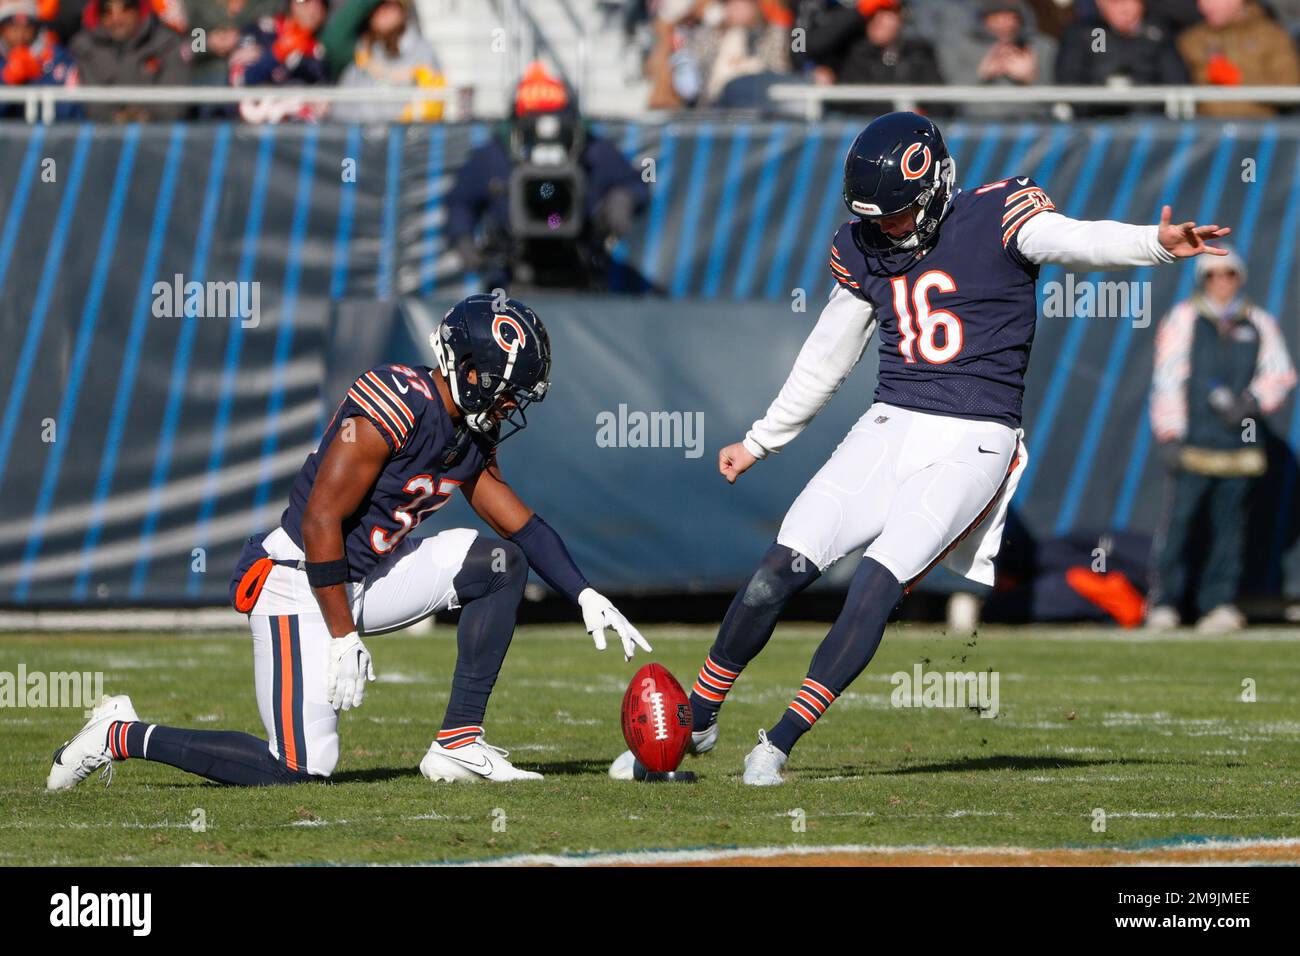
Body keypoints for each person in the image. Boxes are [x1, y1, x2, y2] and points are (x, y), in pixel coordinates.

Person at [612, 111, 1231, 785]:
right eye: (878, 217)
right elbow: (828, 356)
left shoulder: (999, 214)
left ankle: (781, 741)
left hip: (975, 440)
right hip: (889, 426)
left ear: (936, 185)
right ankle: (697, 719)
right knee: (773, 575)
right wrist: (763, 439)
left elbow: (1077, 240)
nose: (890, 228)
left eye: (901, 213)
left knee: (875, 586)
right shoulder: (863, 244)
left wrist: (1158, 243)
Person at [47, 296, 650, 791]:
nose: (510, 404)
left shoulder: (467, 437)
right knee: (299, 768)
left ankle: (458, 744)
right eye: (505, 388)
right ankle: (119, 734)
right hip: (301, 581)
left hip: (371, 578)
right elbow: (319, 521)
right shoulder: (394, 400)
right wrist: (342, 637)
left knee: (499, 563)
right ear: (467, 368)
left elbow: (520, 526)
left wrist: (585, 593)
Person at [1147, 248, 1296, 631]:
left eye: (1229, 274)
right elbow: (1168, 379)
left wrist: (1250, 403)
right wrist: (1170, 434)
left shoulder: (1258, 322)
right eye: (1214, 275)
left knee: (1230, 530)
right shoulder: (1183, 319)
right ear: (1203, 279)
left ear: (1239, 278)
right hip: (1193, 444)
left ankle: (1218, 604)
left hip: (1238, 450)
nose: (1222, 281)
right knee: (1178, 525)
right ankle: (1163, 604)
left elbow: (1280, 374)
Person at [1054, 0, 1188, 115]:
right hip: (1097, 123)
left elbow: (1176, 79)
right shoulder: (1093, 33)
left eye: (1130, 0)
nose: (1125, 9)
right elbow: (1071, 80)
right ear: (1101, 4)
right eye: (1116, 2)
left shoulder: (1157, 33)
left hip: (1150, 122)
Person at [68, 0, 190, 122]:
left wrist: (146, 117)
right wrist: (116, 118)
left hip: (161, 134)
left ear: (140, 9)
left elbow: (174, 104)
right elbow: (90, 106)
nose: (117, 19)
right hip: (102, 135)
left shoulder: (167, 43)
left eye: (127, 8)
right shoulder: (83, 47)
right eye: (106, 11)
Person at [1176, 0, 1300, 117]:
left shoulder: (1272, 36)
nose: (1203, 6)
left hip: (1260, 132)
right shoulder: (1190, 39)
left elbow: (1289, 90)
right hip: (1205, 132)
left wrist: (1236, 78)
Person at [939, 0, 1056, 118]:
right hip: (978, 124)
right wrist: (982, 73)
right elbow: (951, 100)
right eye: (997, 15)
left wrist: (1032, 78)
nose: (1004, 21)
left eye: (1010, 15)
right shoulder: (961, 46)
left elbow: (1060, 97)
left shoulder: (1042, 47)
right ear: (984, 18)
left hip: (1034, 122)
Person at [333, 0, 446, 123]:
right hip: (362, 138)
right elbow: (342, 111)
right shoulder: (360, 57)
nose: (383, 11)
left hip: (406, 137)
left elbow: (432, 105)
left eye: (389, 5)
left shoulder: (423, 54)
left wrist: (401, 129)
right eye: (377, 7)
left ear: (402, 11)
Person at [0, 0, 76, 119]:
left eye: (27, 28)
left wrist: (36, 79)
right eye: (13, 28)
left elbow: (69, 109)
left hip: (47, 135)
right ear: (2, 31)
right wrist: (7, 82)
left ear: (36, 31)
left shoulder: (57, 57)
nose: (20, 35)